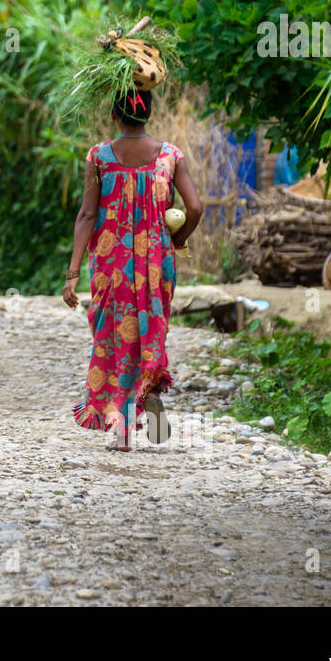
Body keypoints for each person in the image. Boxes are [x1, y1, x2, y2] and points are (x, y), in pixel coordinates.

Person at [63, 89, 203, 451]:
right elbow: (196, 207)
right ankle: (149, 391)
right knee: (150, 329)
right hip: (157, 263)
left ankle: (123, 429)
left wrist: (72, 272)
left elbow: (87, 215)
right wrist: (178, 239)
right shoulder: (171, 156)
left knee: (112, 337)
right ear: (149, 115)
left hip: (112, 266)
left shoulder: (99, 157)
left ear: (114, 115)